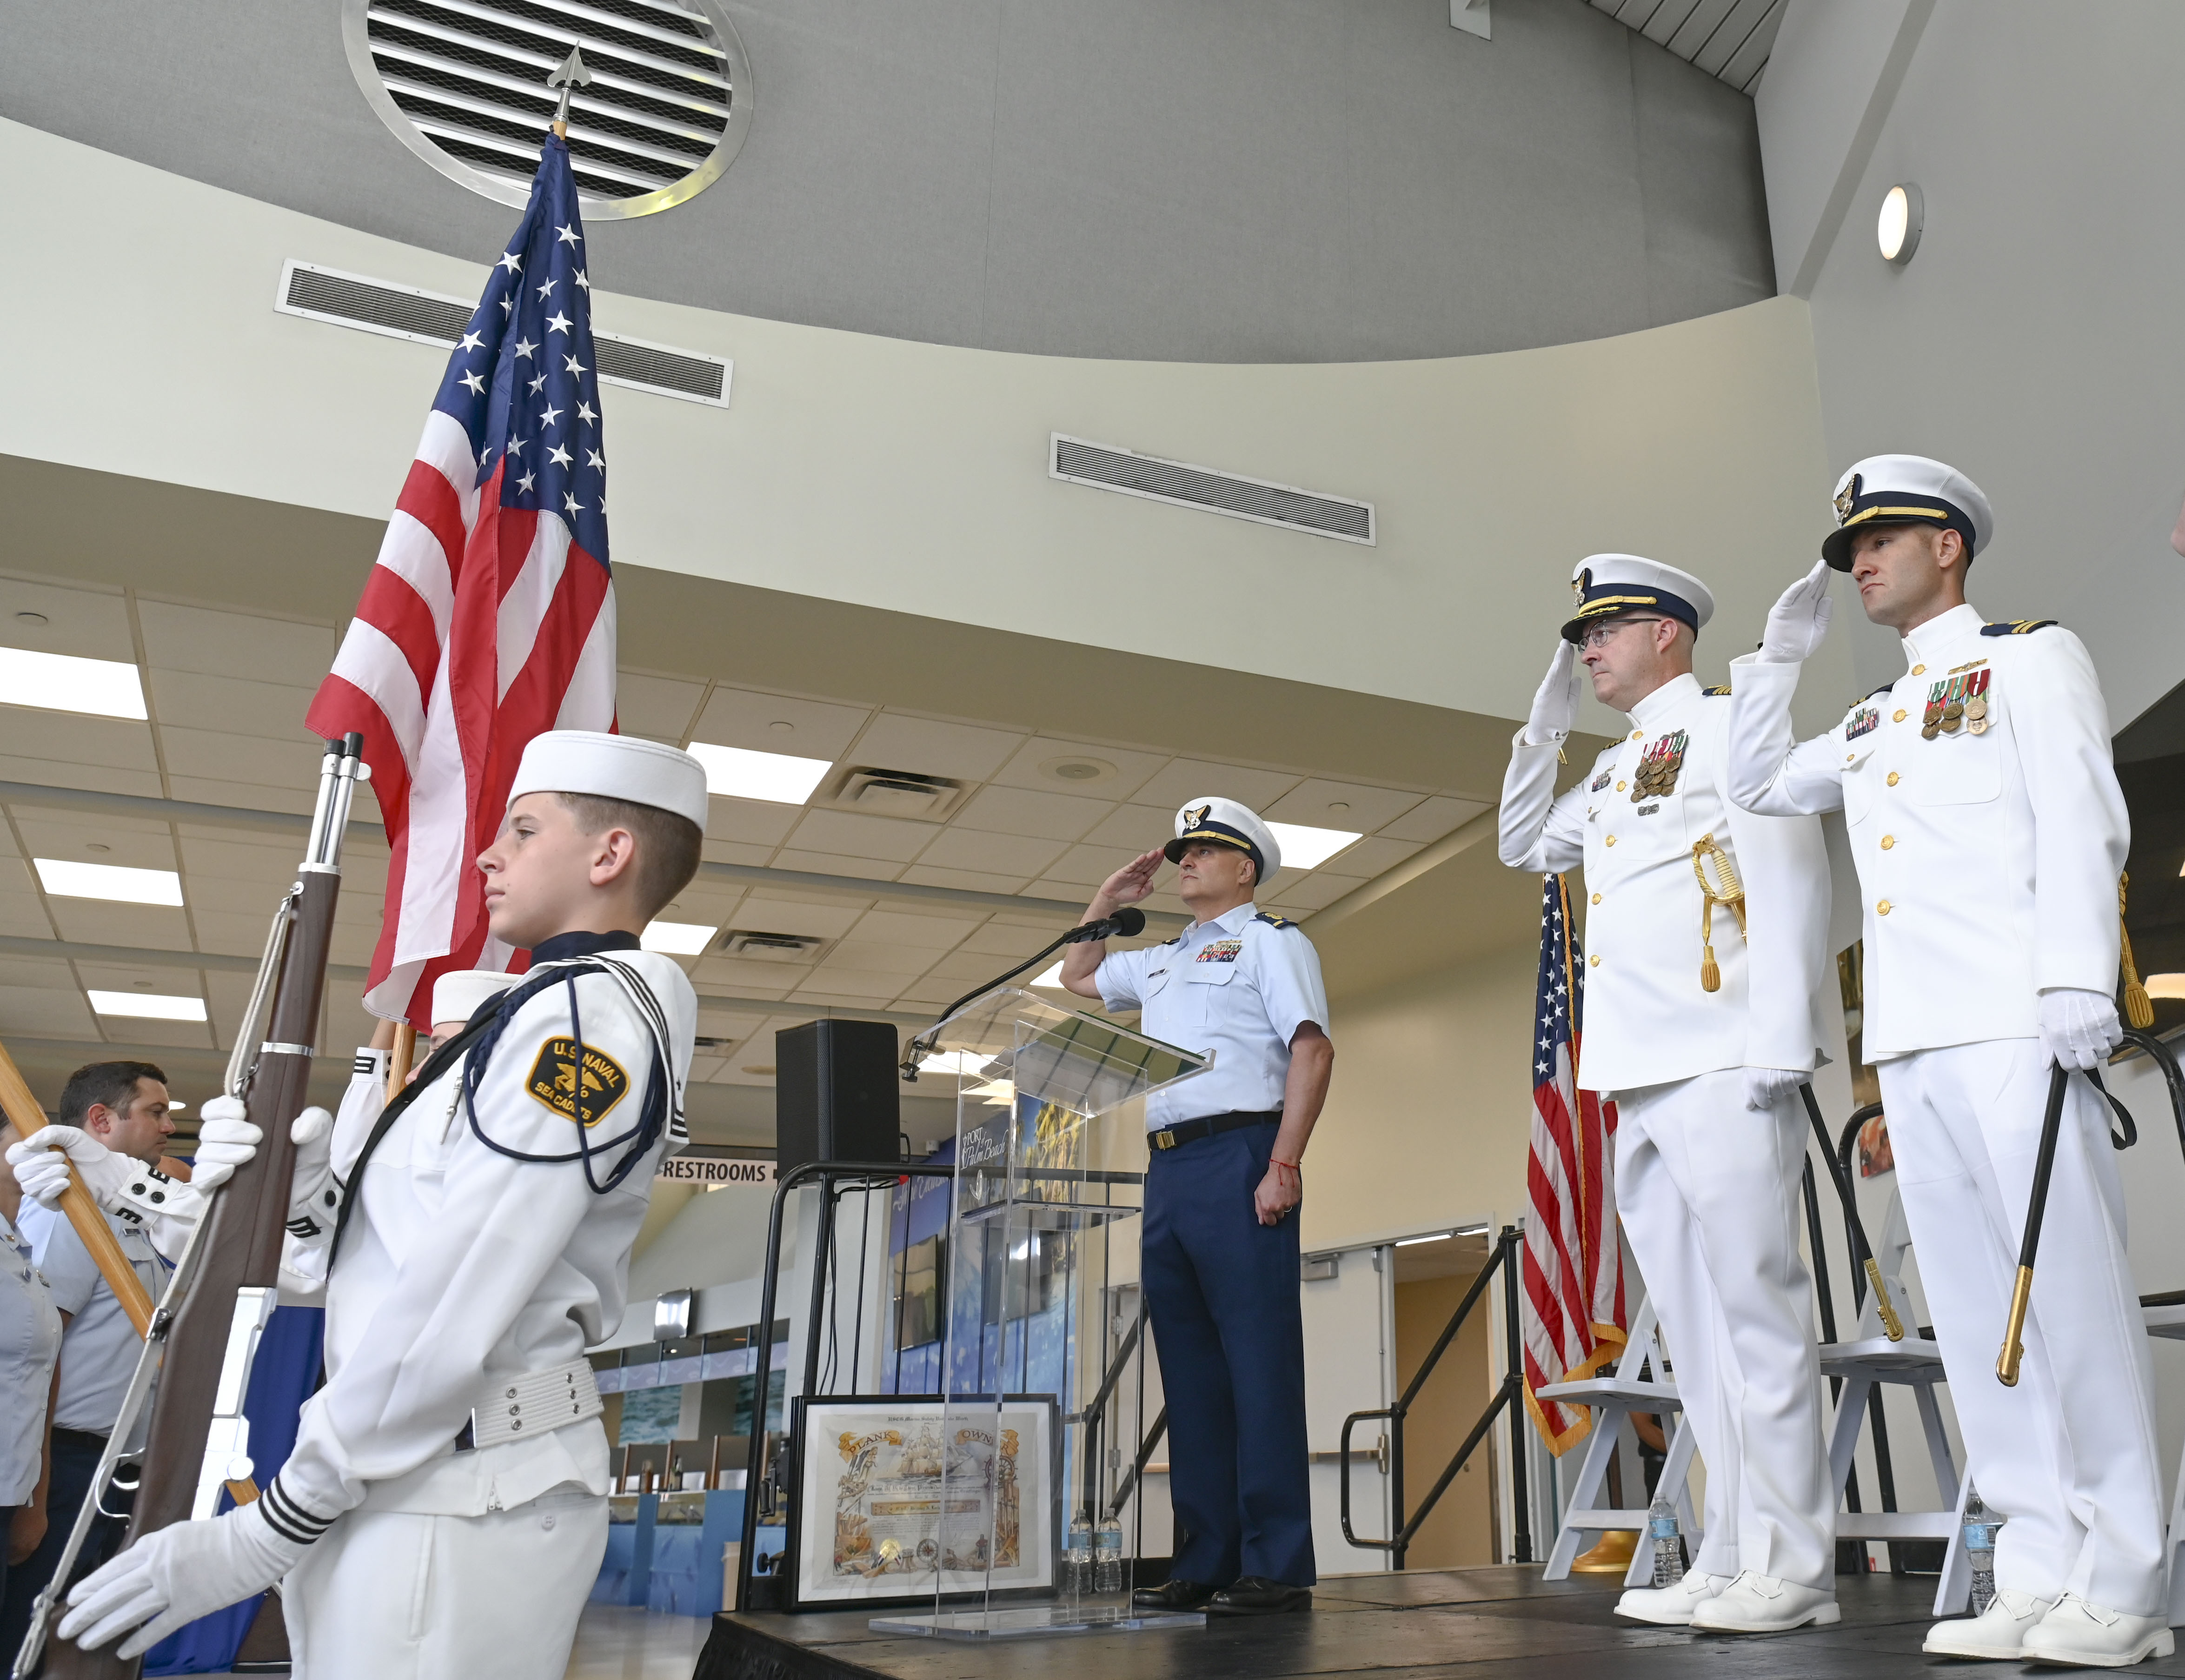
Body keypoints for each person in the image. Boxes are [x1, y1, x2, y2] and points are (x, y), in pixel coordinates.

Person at [56, 730, 707, 1679]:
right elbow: (365, 1263)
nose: (491, 853)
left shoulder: (583, 1021)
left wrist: (272, 1523)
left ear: (611, 856)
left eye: (523, 830)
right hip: (417, 1478)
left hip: (462, 1482)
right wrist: (152, 1183)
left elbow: (460, 1284)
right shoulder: (536, 1016)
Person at [1725, 456, 2168, 1667]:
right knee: (1977, 1323)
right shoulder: (1870, 720)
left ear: (1947, 546)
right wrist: (1774, 661)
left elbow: (2083, 811)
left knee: (2067, 1299)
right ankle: (2032, 1566)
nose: (1857, 562)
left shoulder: (2029, 658)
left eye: (1878, 541)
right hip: (1910, 1050)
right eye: (1846, 551)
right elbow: (1753, 781)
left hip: (2018, 1027)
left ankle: (2125, 1575)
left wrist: (2078, 972)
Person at [1498, 555, 1839, 1633]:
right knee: (1696, 1338)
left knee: (1759, 1321)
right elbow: (1518, 844)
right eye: (1581, 637)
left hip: (1724, 1056)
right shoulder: (1608, 773)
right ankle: (1733, 1551)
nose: (1587, 649)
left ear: (1669, 635)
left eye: (1605, 631)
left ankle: (1797, 1567)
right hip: (1633, 1075)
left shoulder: (1733, 726)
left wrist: (1783, 1041)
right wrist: (1539, 731)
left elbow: (1791, 885)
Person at [1059, 798, 1333, 1617]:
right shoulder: (1165, 956)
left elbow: (1309, 1047)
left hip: (1241, 1154)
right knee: (1189, 1375)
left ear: (1243, 867)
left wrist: (1283, 1160)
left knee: (1258, 1366)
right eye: (1181, 851)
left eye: (1203, 850)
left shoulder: (1271, 941)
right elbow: (1075, 977)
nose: (1183, 861)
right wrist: (1104, 903)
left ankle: (1276, 1563)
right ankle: (1206, 1555)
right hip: (1170, 1168)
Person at [0, 1062, 180, 1657]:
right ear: (100, 1122)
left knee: (87, 1638)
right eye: (155, 1111)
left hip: (117, 1460)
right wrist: (38, 1487)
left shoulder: (134, 1216)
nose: (171, 1125)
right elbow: (41, 1353)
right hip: (66, 1459)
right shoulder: (67, 1215)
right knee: (37, 1634)